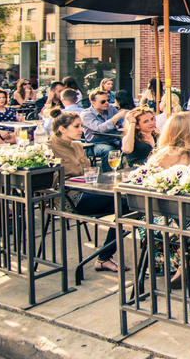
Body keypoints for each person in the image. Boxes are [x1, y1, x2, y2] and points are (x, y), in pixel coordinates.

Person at [47, 110, 120, 272]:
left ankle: (104, 257)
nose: (81, 129)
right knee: (125, 205)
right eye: (77, 126)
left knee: (128, 207)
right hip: (69, 198)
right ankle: (104, 257)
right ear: (62, 129)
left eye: (81, 126)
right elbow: (50, 182)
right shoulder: (49, 148)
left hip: (88, 191)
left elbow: (88, 173)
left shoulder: (78, 146)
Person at [80, 89, 128, 158]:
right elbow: (99, 128)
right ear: (93, 103)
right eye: (103, 102)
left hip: (114, 140)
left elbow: (122, 122)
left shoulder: (110, 108)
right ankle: (109, 169)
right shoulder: (86, 114)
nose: (107, 103)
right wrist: (115, 118)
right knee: (109, 151)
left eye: (108, 100)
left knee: (133, 145)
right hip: (95, 144)